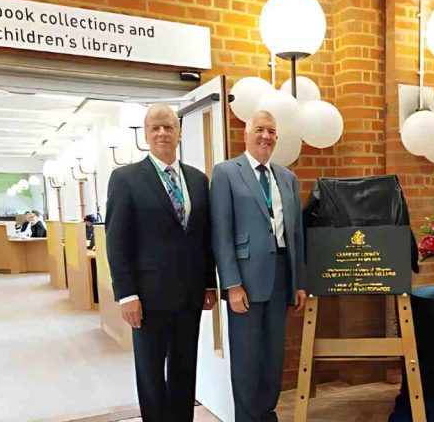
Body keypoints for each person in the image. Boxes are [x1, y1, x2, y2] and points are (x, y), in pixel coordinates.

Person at [105, 104, 216, 422]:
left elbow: (204, 235)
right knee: (151, 375)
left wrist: (209, 282)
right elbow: (117, 241)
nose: (162, 133)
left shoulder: (197, 180)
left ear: (179, 133)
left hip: (190, 296)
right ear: (145, 135)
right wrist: (126, 294)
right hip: (147, 298)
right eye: (155, 128)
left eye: (168, 127)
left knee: (184, 369)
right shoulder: (125, 179)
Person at [211, 110, 307, 422]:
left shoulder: (287, 177)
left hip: (281, 279)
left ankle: (266, 414)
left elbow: (295, 234)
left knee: (273, 356)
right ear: (247, 134)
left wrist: (299, 282)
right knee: (247, 358)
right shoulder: (226, 173)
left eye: (271, 132)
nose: (266, 136)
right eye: (260, 130)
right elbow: (221, 233)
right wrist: (231, 284)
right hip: (246, 282)